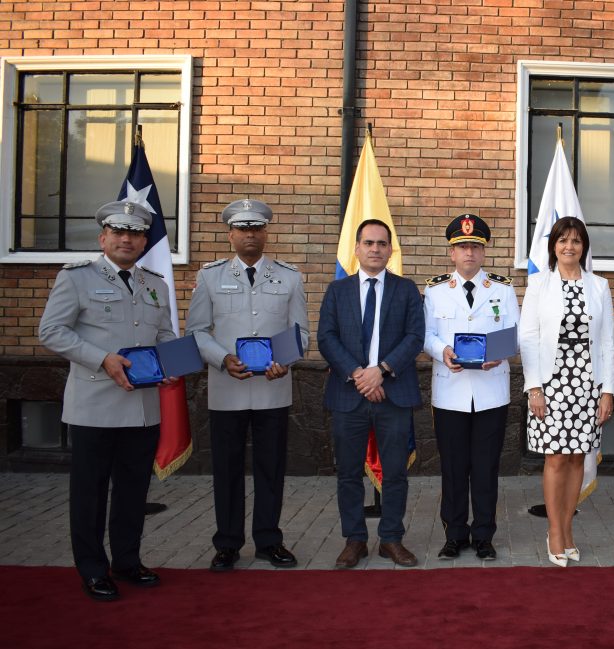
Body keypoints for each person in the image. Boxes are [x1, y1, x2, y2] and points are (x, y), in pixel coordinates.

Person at [39, 200, 175, 601]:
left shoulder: (156, 284)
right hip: (94, 406)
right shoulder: (76, 279)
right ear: (103, 238)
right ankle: (93, 569)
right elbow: (52, 331)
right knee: (90, 493)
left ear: (144, 240)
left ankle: (127, 561)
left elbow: (163, 335)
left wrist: (172, 362)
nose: (126, 239)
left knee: (133, 492)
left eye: (134, 233)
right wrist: (102, 358)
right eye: (118, 232)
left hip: (142, 408)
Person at [186, 199, 309, 571]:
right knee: (227, 469)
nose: (250, 234)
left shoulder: (289, 276)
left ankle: (269, 540)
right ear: (231, 235)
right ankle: (227, 543)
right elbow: (196, 331)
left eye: (256, 228)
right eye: (242, 229)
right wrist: (221, 358)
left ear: (266, 233)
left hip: (273, 388)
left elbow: (299, 331)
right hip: (228, 387)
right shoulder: (210, 276)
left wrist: (284, 360)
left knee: (271, 467)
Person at [319, 218, 425, 568]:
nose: (375, 249)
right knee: (348, 472)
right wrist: (358, 375)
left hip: (393, 393)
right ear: (357, 248)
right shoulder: (338, 291)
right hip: (349, 395)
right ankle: (355, 540)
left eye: (382, 243)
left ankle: (391, 539)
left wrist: (380, 372)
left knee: (395, 472)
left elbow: (415, 337)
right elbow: (326, 339)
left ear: (391, 249)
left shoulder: (406, 289)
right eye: (369, 243)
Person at [520, 216, 614, 567]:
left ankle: (568, 529)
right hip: (552, 383)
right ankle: (555, 532)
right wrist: (534, 388)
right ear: (554, 246)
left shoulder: (599, 287)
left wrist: (608, 391)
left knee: (578, 457)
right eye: (563, 240)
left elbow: (607, 341)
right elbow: (528, 337)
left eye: (576, 241)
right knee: (556, 457)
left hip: (588, 383)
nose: (569, 247)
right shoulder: (538, 284)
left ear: (583, 247)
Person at [424, 214, 520, 561]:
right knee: (452, 468)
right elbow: (427, 335)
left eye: (475, 247)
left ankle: (483, 534)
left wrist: (495, 355)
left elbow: (513, 335)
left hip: (491, 392)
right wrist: (442, 351)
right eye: (462, 247)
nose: (469, 253)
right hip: (450, 392)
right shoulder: (434, 291)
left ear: (484, 252)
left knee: (485, 467)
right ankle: (454, 534)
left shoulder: (503, 289)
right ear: (452, 253)